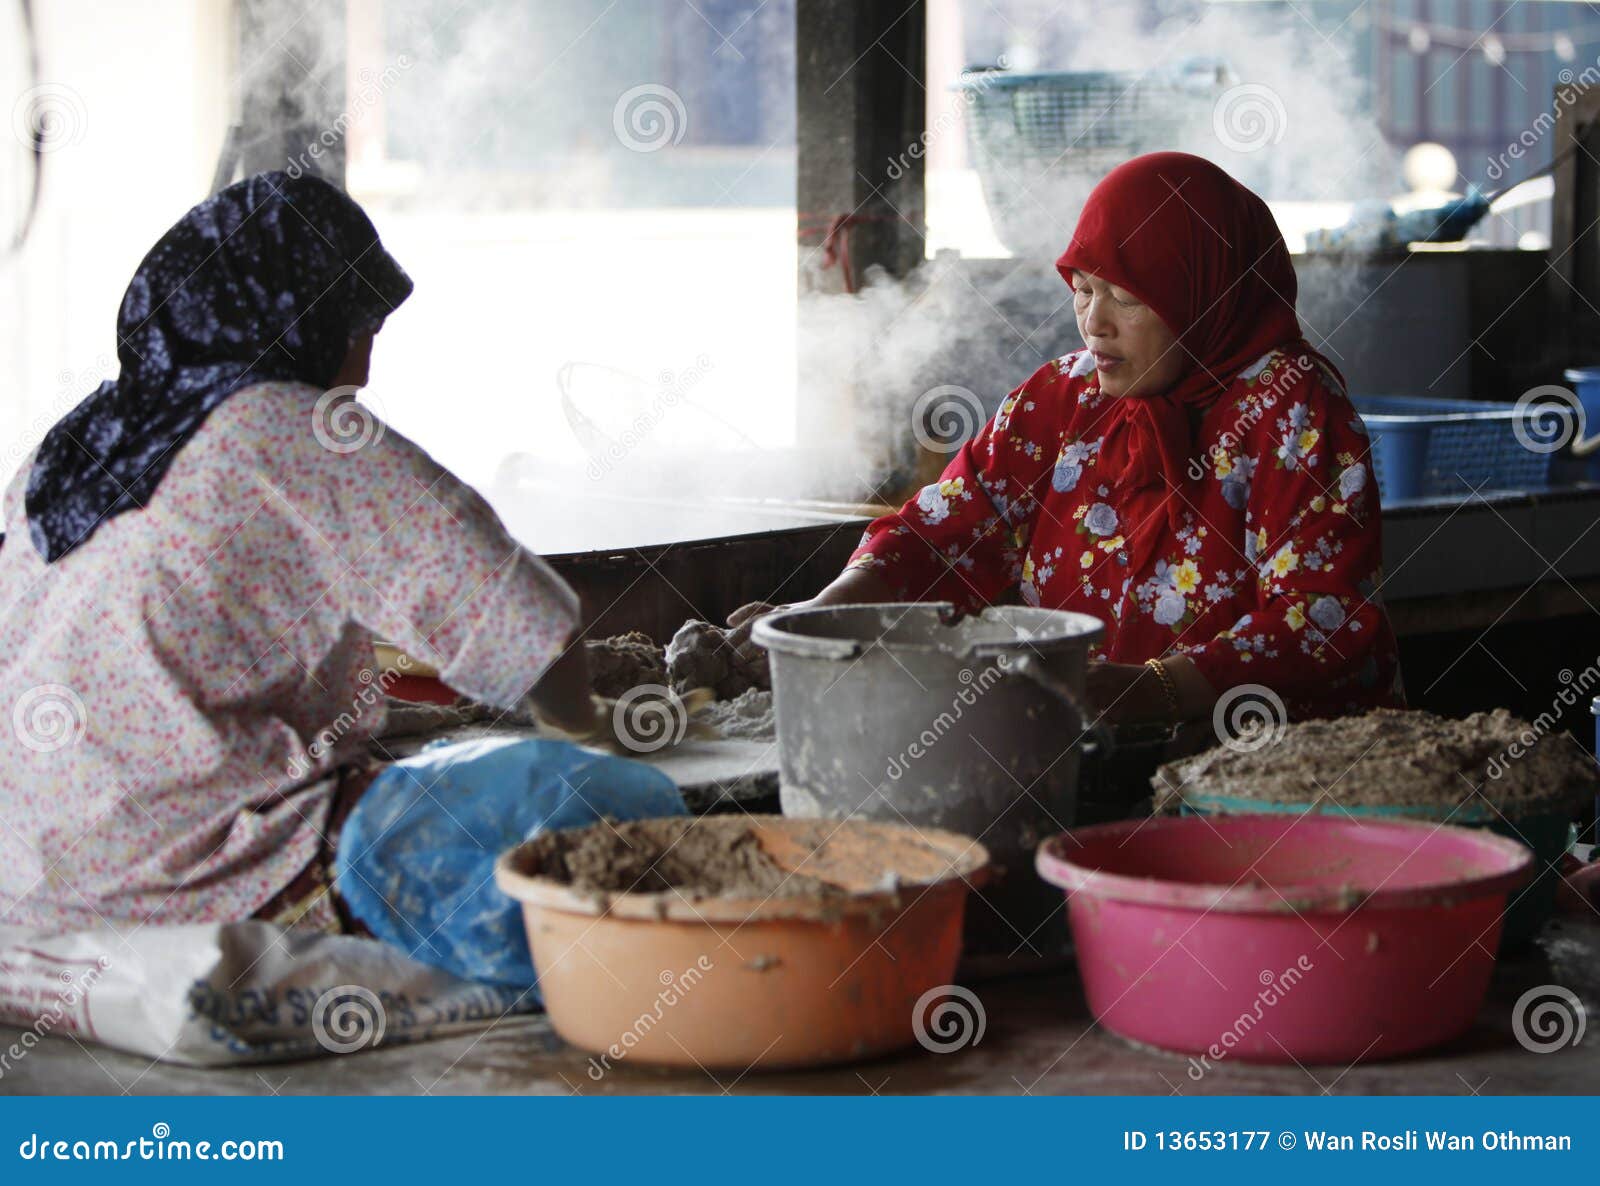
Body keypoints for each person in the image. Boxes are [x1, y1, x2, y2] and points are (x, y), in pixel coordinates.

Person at [0, 172, 598, 937]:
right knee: (583, 809)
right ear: (303, 322)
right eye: (363, 331)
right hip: (172, 865)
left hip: (26, 865)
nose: (366, 369)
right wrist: (592, 737)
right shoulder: (292, 429)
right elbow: (528, 627)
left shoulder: (78, 438)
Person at [731, 152, 1404, 725]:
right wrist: (816, 618)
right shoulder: (1062, 397)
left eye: (1128, 298)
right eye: (1082, 289)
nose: (1094, 323)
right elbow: (949, 531)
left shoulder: (1292, 412)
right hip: (1077, 742)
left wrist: (1151, 690)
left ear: (1206, 292)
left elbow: (1321, 620)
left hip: (1260, 774)